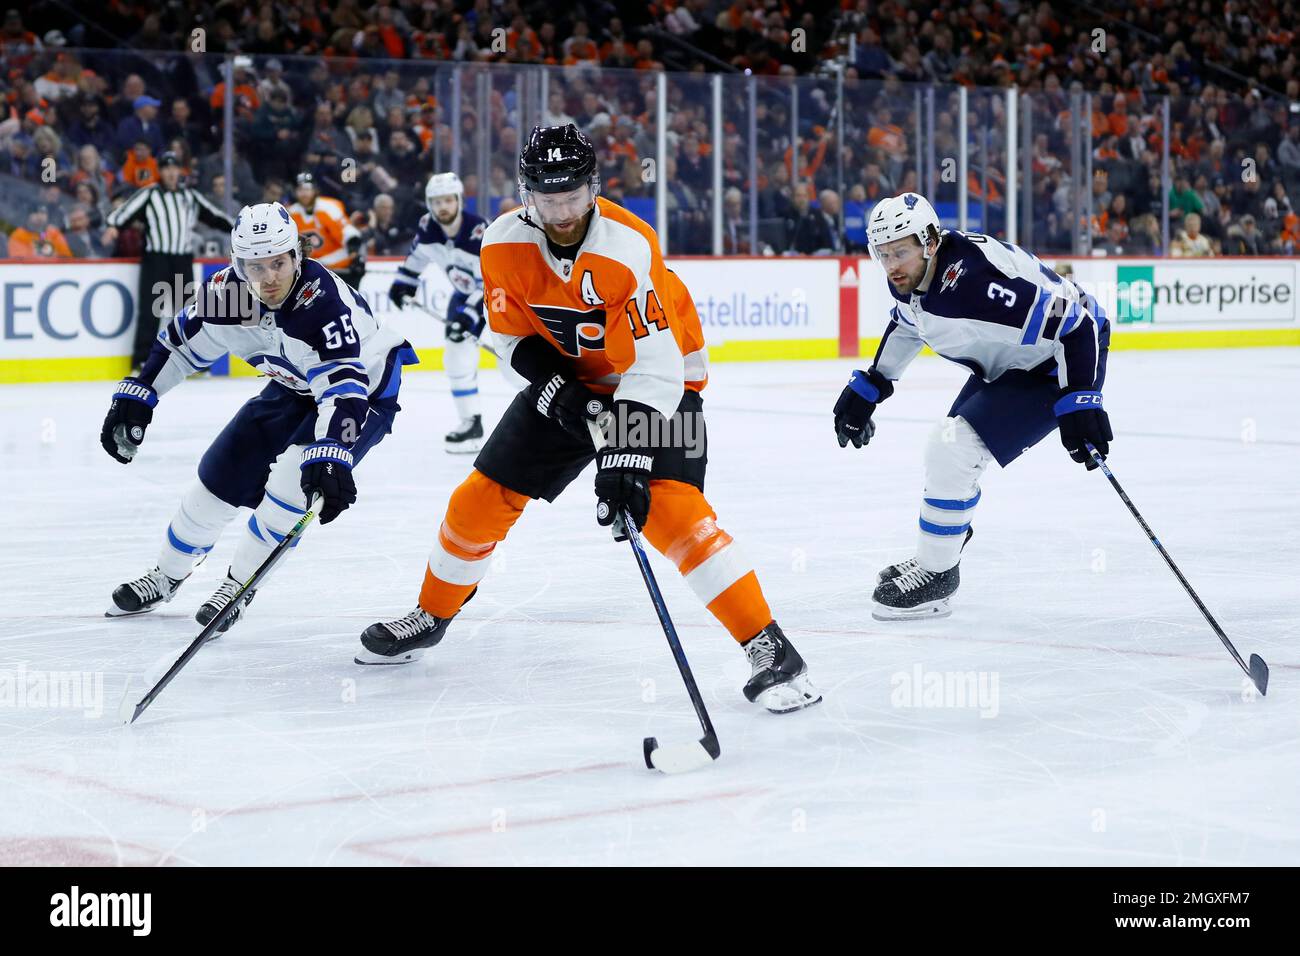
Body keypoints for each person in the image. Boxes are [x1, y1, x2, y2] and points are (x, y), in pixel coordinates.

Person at [361, 125, 821, 715]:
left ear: (593, 188)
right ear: (527, 194)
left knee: (670, 509)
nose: (561, 213)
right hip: (574, 381)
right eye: (547, 200)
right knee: (479, 498)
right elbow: (507, 337)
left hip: (664, 385)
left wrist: (624, 457)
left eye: (573, 197)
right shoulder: (501, 242)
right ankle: (431, 613)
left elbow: (655, 368)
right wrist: (559, 395)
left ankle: (770, 646)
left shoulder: (628, 244)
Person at [100, 202, 417, 630]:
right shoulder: (224, 296)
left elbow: (344, 390)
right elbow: (177, 345)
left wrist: (333, 452)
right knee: (220, 473)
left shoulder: (320, 306)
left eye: (278, 263)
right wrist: (141, 395)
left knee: (291, 484)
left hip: (365, 393)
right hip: (292, 384)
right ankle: (166, 575)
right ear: (237, 265)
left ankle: (238, 584)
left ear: (296, 256)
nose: (269, 278)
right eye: (256, 266)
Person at [833, 192, 1112, 620]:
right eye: (882, 253)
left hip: (1054, 364)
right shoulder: (916, 276)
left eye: (900, 252)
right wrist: (874, 382)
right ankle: (938, 552)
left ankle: (937, 574)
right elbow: (908, 322)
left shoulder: (980, 283)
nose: (891, 265)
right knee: (949, 452)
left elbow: (1081, 322)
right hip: (1012, 363)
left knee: (953, 451)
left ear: (929, 241)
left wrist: (1081, 397)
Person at [104, 151, 235, 370]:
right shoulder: (150, 194)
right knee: (149, 310)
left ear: (180, 172)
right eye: (166, 168)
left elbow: (215, 216)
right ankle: (142, 358)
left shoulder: (189, 196)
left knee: (188, 310)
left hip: (182, 258)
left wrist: (238, 228)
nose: (171, 173)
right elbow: (126, 211)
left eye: (175, 168)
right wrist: (113, 225)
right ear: (161, 172)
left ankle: (193, 357)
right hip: (156, 257)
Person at [388, 173, 488, 453]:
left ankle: (554, 416)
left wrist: (470, 315)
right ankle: (471, 422)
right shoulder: (428, 228)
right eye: (436, 201)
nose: (442, 207)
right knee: (456, 359)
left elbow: (496, 283)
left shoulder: (479, 231)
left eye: (447, 200)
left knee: (511, 365)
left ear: (459, 200)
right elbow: (417, 258)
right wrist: (403, 283)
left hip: (498, 301)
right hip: (463, 298)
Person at [289, 172, 365, 289]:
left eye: (307, 189)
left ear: (315, 190)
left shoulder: (327, 207)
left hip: (339, 270)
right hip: (311, 272)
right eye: (300, 189)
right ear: (295, 192)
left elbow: (348, 234)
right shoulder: (291, 213)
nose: (304, 193)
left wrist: (355, 256)